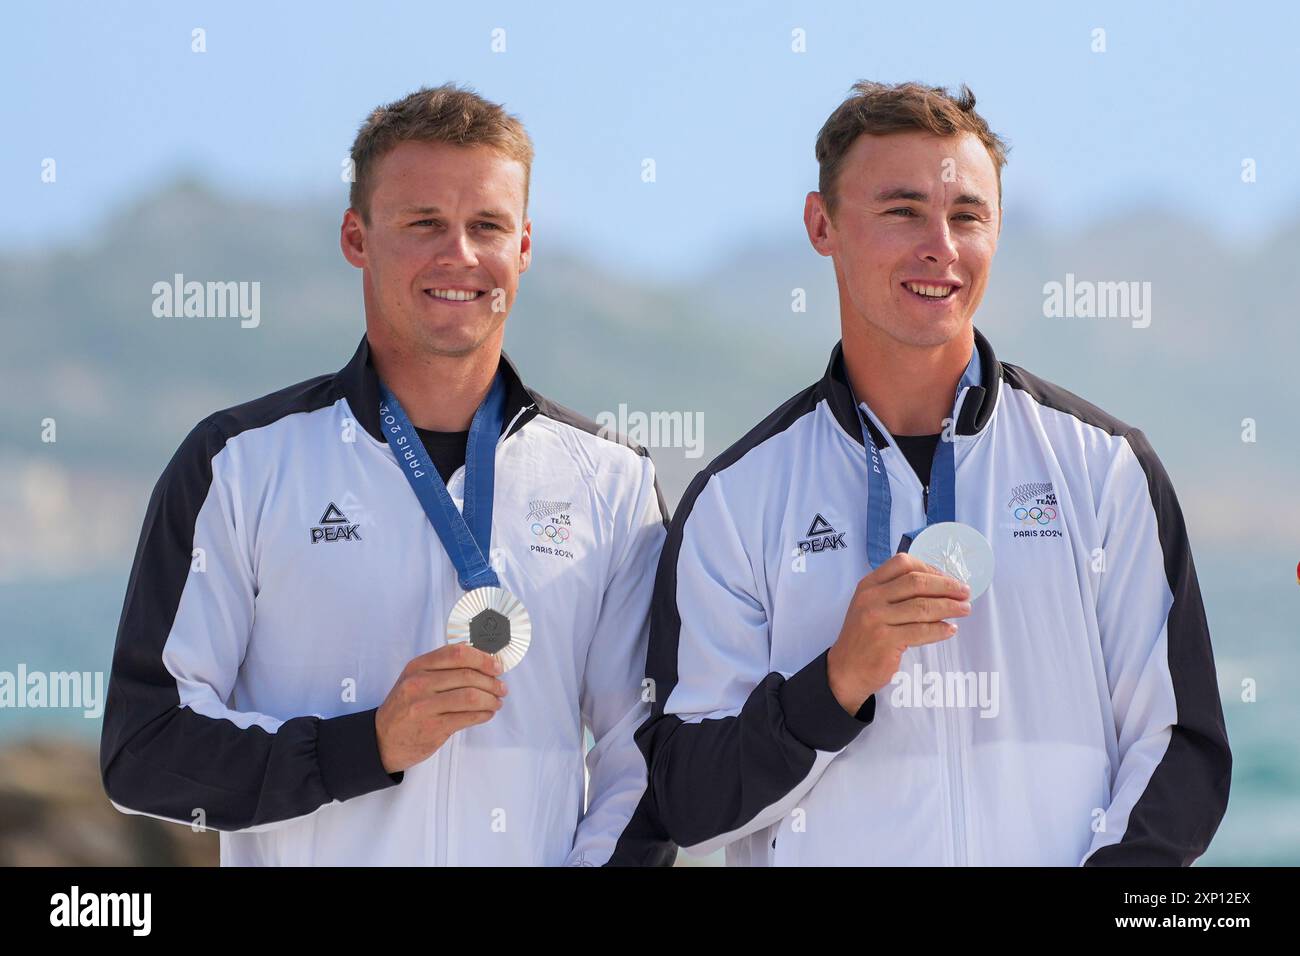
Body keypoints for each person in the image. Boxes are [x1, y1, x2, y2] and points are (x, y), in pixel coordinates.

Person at [635, 81, 1231, 866]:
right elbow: (690, 805)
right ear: (823, 224)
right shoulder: (734, 501)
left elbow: (1180, 749)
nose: (941, 246)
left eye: (967, 216)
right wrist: (836, 683)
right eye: (903, 210)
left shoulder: (1106, 467)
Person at [101, 84, 674, 866]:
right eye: (424, 224)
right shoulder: (238, 463)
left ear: (526, 245)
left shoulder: (613, 482)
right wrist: (363, 745)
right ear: (356, 236)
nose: (460, 256)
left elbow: (644, 760)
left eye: (487, 227)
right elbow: (145, 748)